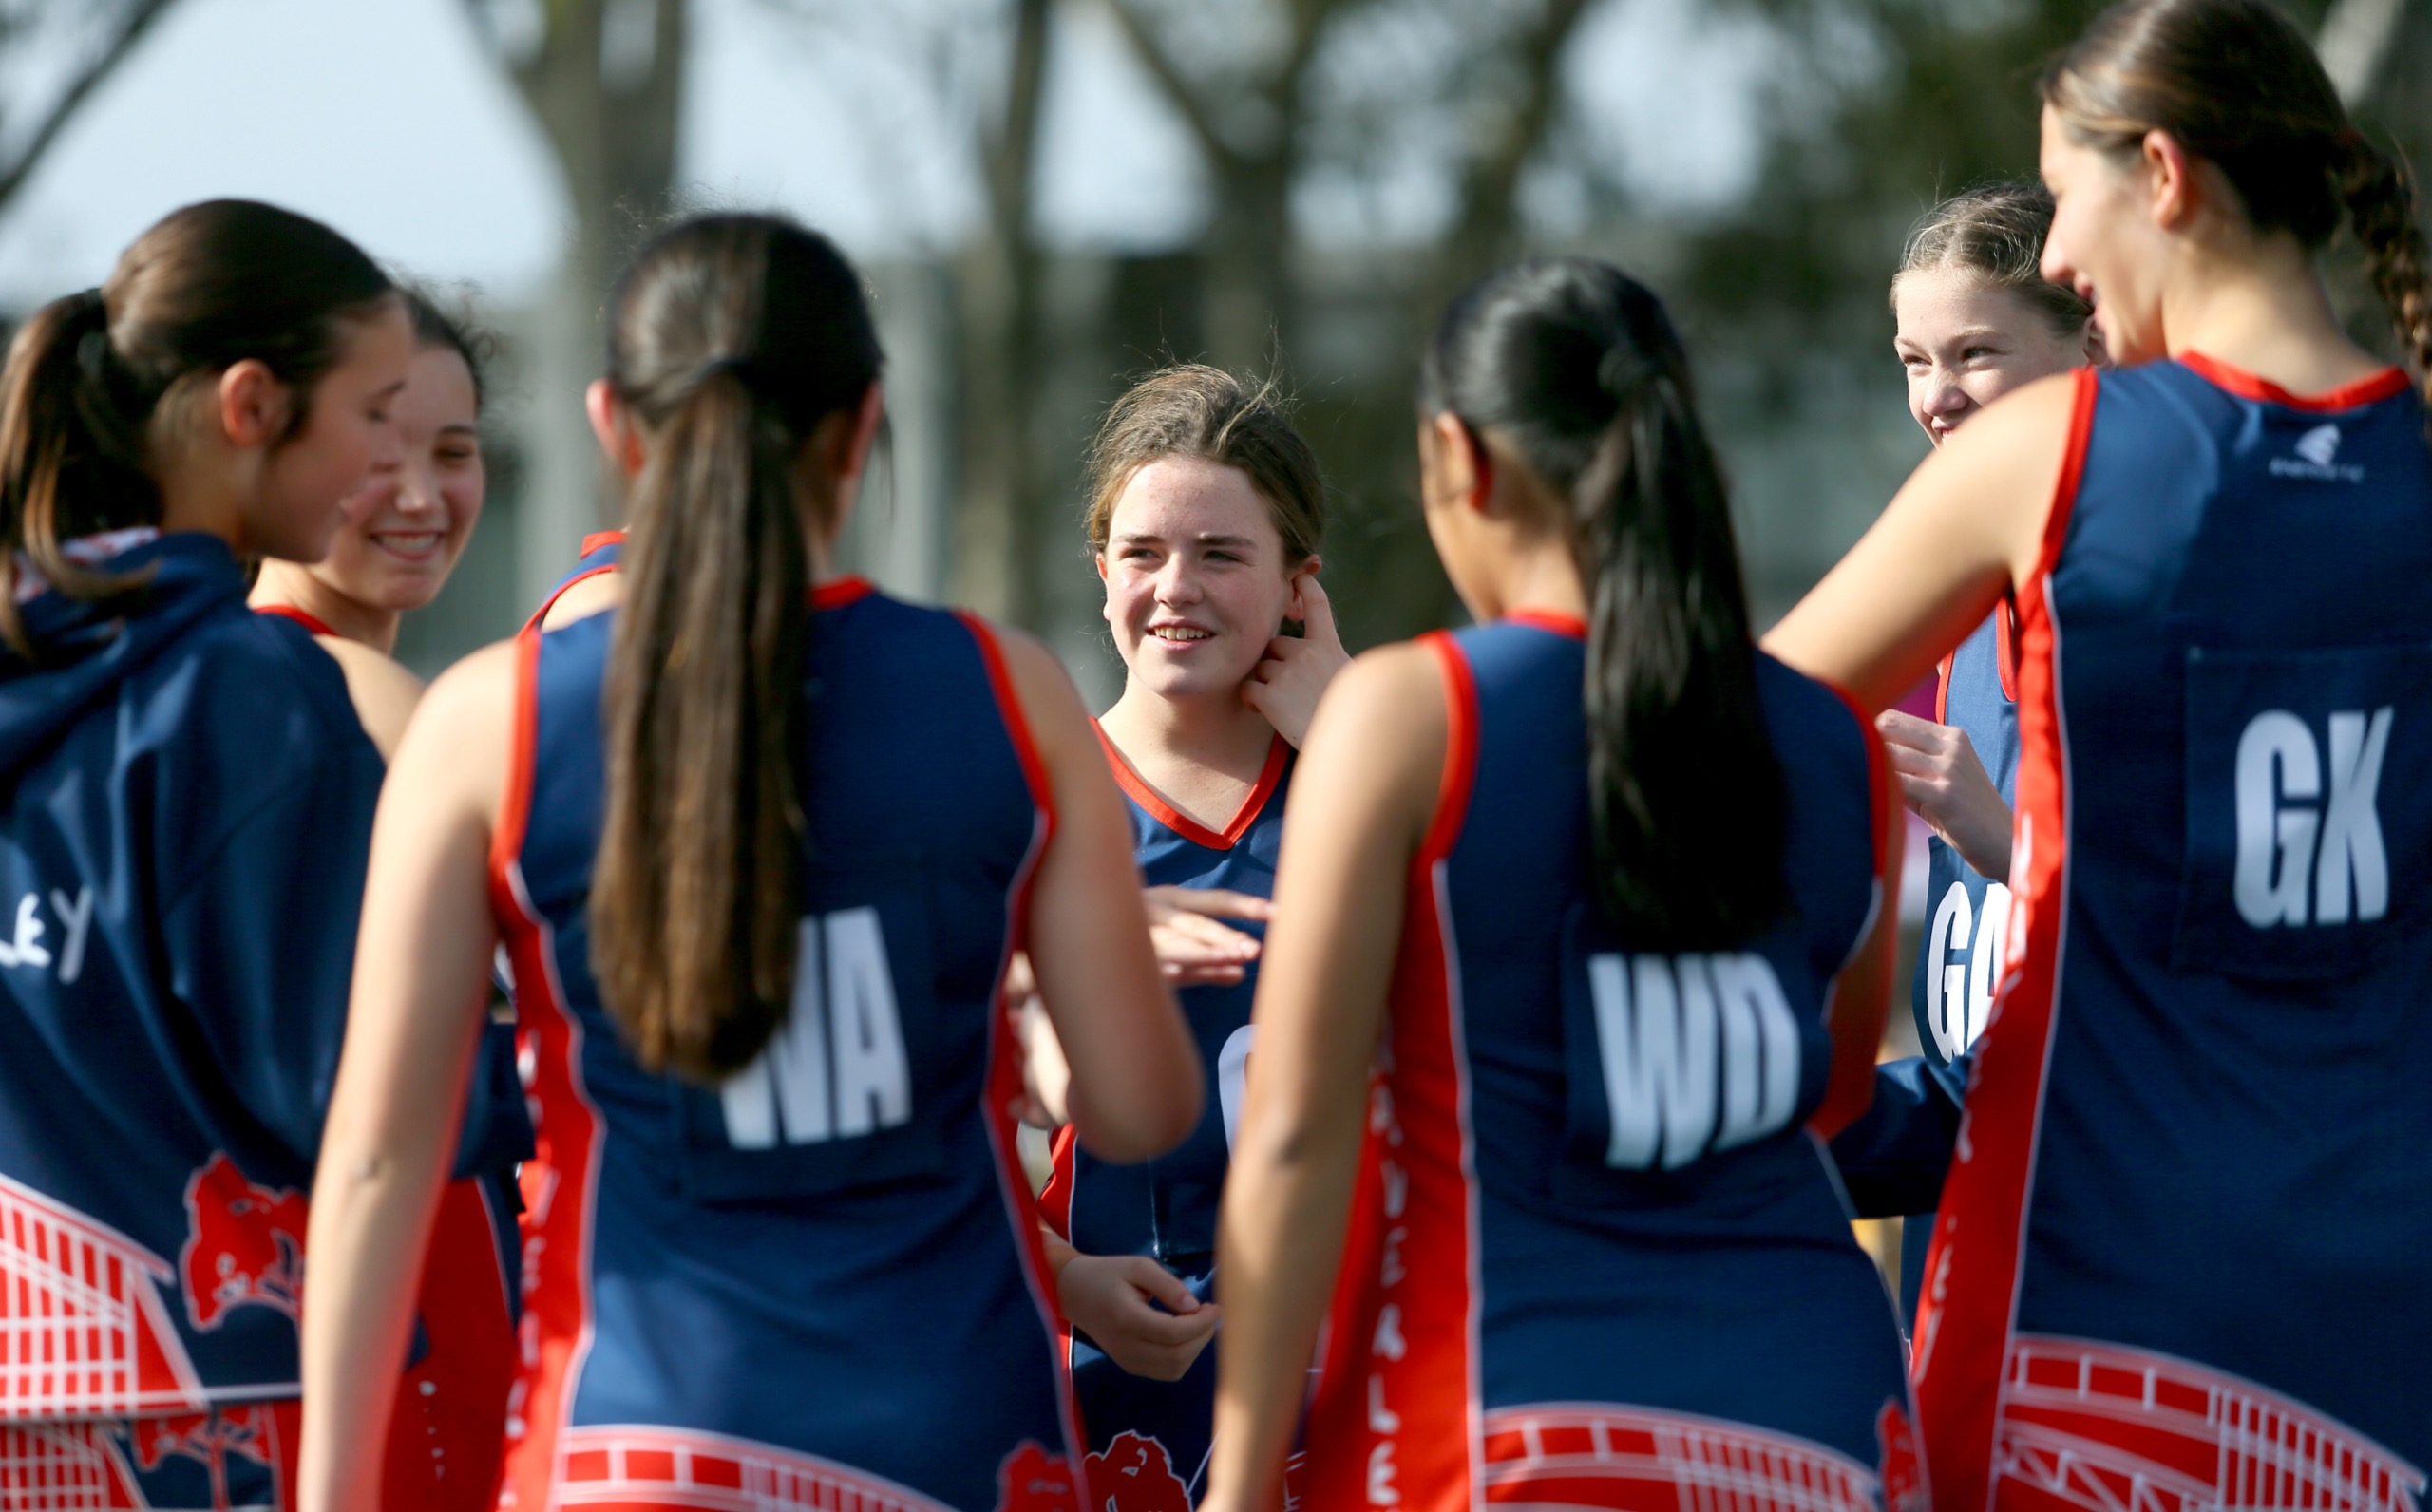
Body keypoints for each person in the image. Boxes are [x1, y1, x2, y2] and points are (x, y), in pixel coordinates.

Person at [296, 213, 1203, 1512]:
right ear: (861, 426)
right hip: (955, 1450)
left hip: (635, 1448)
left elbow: (379, 1159)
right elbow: (1135, 1109)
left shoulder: (486, 724)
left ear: (614, 429)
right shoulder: (1006, 691)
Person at [1763, 1, 2432, 1503]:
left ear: (2169, 177)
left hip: (2094, 1305)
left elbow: (1719, 722)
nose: (2059, 248)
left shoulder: (2063, 453)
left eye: (2066, 193)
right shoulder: (2416, 467)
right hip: (2384, 1325)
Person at [1206, 259, 1914, 1512]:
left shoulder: (1412, 714)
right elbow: (1836, 1091)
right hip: (1827, 1432)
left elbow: (1296, 1138)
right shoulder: (1833, 742)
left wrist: (1244, 1489)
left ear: (1457, 462)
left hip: (1516, 1431)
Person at [0, 199, 408, 1509]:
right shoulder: (250, 696)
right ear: (250, 405)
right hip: (216, 1412)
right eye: (375, 412)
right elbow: (347, 1094)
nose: (389, 468)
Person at [1033, 365, 1345, 1505]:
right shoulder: (1029, 801)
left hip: (1366, 1373)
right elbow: (930, 1112)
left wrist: (1348, 721)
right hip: (1110, 1387)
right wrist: (1063, 1278)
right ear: (1099, 570)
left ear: (1299, 583)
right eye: (1142, 552)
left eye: (1221, 554)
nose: (1176, 588)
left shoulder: (1387, 782)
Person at [250, 287, 526, 1512]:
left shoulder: (200, 680)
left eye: (453, 453)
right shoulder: (367, 706)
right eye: (375, 457)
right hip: (404, 1275)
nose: (420, 495)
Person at [1826, 184, 2100, 1325]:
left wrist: (2010, 846)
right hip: (1964, 1271)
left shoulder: (2157, 610)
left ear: (2091, 339)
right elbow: (1965, 1087)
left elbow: (2225, 997)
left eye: (1976, 353)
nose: (1935, 399)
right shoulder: (1963, 621)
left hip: (2125, 1283)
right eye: (1910, 358)